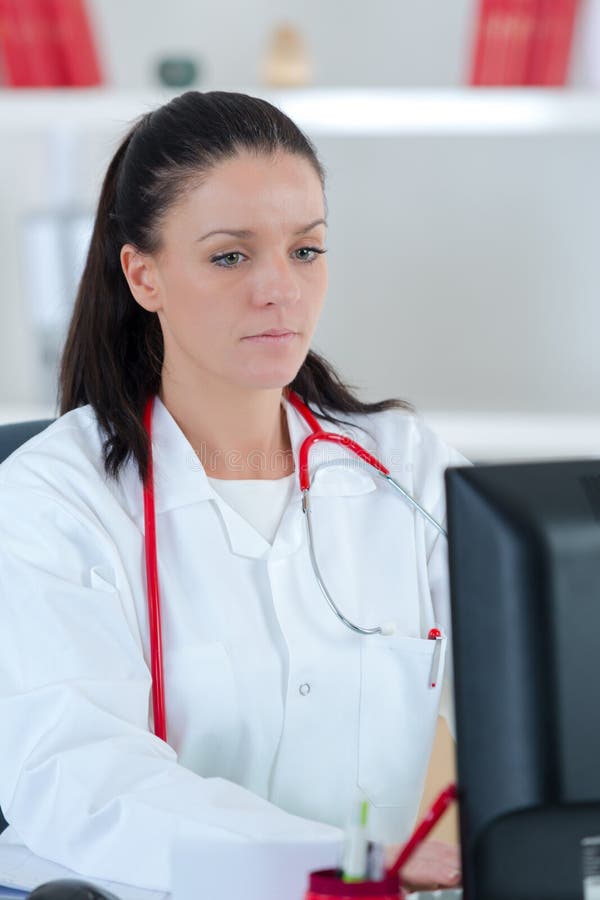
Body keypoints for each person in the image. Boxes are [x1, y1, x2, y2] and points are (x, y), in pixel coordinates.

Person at [0, 90, 466, 893]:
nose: (279, 290)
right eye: (230, 256)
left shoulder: (409, 470)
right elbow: (81, 779)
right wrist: (335, 866)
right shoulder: (54, 500)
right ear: (143, 274)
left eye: (306, 251)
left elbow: (544, 672)